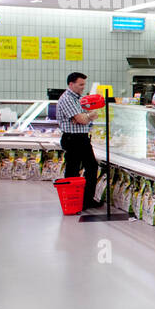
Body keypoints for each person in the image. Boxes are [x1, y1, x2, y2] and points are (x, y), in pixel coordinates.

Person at [57, 72, 100, 208]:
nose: (83, 87)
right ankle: (73, 200)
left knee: (90, 167)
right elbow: (82, 119)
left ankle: (85, 199)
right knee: (74, 169)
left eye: (84, 84)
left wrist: (85, 117)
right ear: (71, 84)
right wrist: (87, 117)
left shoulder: (78, 98)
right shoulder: (67, 99)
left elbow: (84, 117)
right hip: (73, 139)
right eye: (80, 84)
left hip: (81, 138)